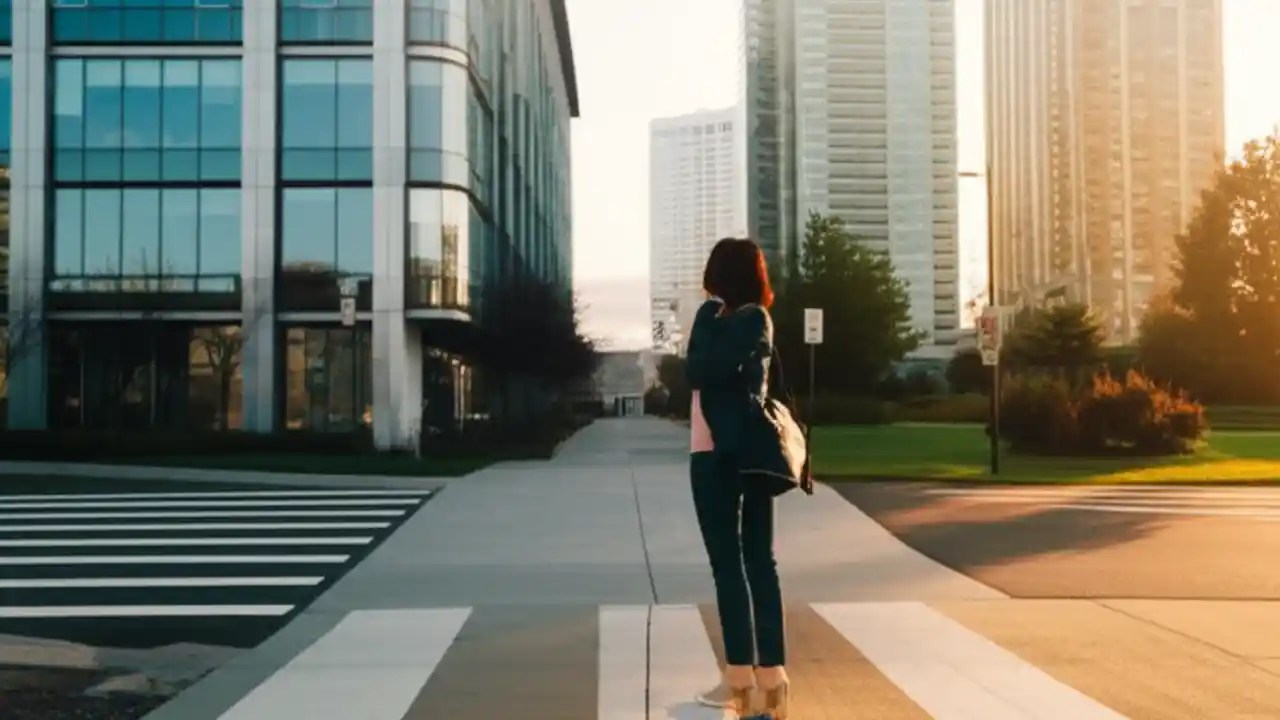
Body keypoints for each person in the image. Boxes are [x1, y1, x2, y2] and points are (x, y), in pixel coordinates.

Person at [685, 238, 789, 719]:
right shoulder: (716, 317)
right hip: (711, 452)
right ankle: (746, 680)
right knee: (734, 565)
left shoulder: (750, 318)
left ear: (721, 272)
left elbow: (710, 367)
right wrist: (711, 346)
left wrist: (711, 349)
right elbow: (697, 371)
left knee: (752, 563)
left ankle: (766, 678)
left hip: (735, 453)